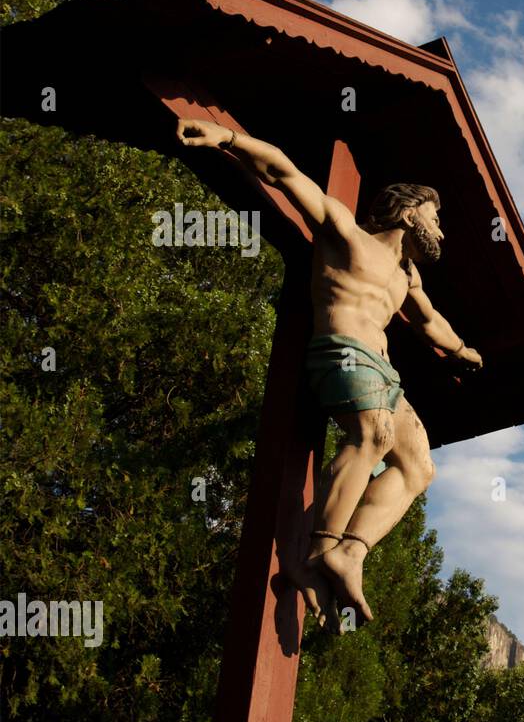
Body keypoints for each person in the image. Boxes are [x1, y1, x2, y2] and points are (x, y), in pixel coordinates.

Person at [178, 119, 482, 630]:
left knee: (419, 468)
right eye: (436, 218)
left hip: (384, 372)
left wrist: (462, 350)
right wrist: (227, 139)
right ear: (409, 213)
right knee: (373, 435)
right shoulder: (347, 234)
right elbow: (284, 171)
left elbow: (430, 321)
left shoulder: (407, 277)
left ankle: (351, 551)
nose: (442, 230)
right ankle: (319, 550)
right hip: (343, 352)